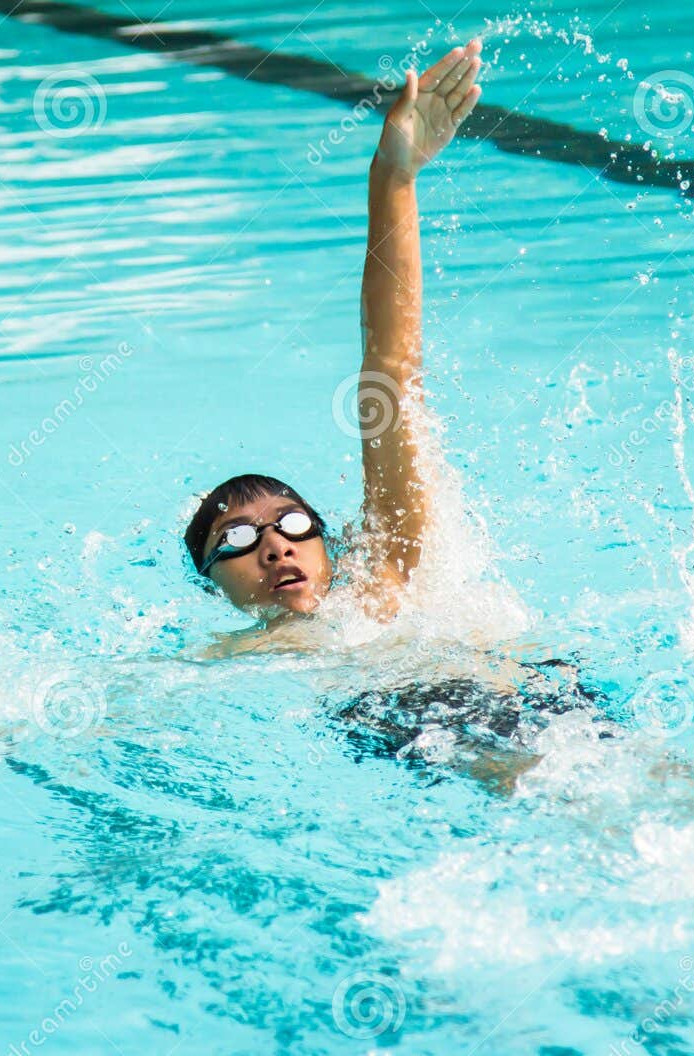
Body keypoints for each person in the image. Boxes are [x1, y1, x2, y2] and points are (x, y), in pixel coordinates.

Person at [182, 39, 484, 629]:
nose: (275, 547)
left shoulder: (385, 585)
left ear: (333, 540)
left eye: (292, 522)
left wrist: (394, 176)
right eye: (237, 539)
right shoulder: (230, 664)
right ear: (210, 585)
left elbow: (390, 371)